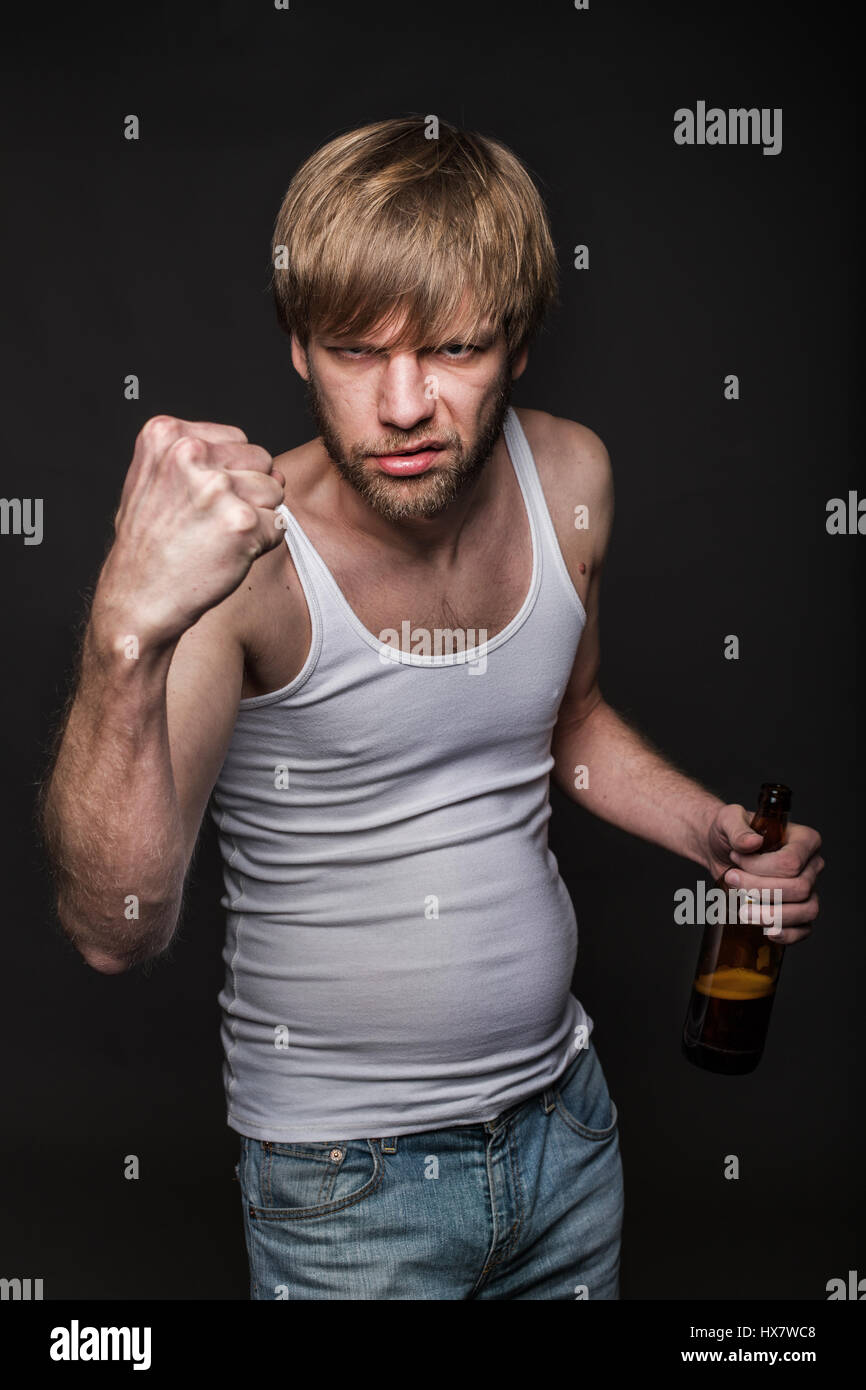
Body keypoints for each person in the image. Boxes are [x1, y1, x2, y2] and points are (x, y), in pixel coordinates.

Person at [39, 117, 824, 1300]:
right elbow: (118, 924)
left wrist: (703, 828)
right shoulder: (241, 565)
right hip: (346, 1188)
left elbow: (566, 722)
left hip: (568, 1131)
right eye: (356, 350)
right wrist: (123, 634)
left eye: (453, 348)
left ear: (516, 341)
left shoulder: (572, 479)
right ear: (298, 348)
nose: (404, 406)